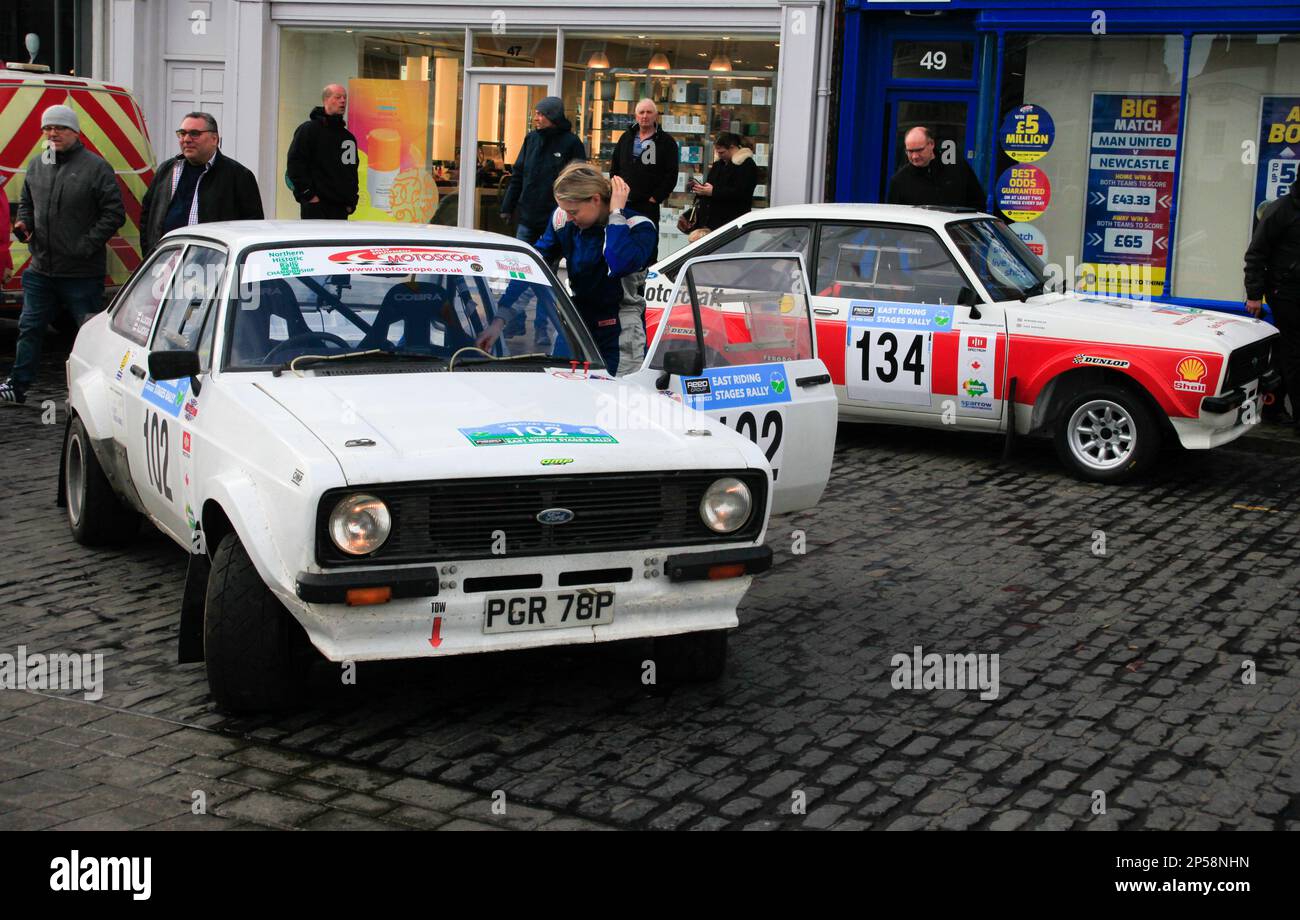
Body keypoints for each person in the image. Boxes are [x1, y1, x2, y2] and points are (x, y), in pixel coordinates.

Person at [1, 105, 124, 405]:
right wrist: (23, 223)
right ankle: (18, 386)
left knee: (86, 336)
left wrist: (85, 246)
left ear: (75, 132)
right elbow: (27, 200)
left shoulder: (96, 168)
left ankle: (91, 393)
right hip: (41, 269)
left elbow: (114, 213)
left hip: (81, 273)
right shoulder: (37, 163)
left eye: (60, 128)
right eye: (47, 128)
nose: (52, 133)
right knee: (29, 328)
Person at [480, 164, 655, 374]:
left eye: (573, 211)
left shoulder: (638, 226)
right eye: (564, 210)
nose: (569, 217)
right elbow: (533, 268)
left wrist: (616, 214)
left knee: (618, 400)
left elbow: (619, 264)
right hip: (576, 325)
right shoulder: (562, 219)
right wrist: (499, 321)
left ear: (596, 199)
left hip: (619, 330)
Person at [499, 96, 587, 346]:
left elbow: (578, 181)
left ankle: (541, 327)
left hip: (556, 221)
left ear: (553, 116)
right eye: (535, 114)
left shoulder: (571, 143)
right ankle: (511, 320)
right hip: (527, 217)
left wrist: (572, 213)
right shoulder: (531, 139)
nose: (535, 118)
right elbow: (517, 175)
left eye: (540, 114)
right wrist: (508, 206)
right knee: (519, 272)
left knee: (545, 276)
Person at [608, 98, 676, 373]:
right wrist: (615, 190)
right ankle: (626, 280)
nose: (645, 117)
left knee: (647, 249)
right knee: (622, 242)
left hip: (647, 206)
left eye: (649, 112)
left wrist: (655, 197)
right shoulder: (626, 137)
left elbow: (671, 173)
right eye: (641, 112)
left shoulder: (666, 142)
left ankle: (643, 286)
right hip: (624, 204)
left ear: (655, 115)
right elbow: (615, 166)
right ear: (635, 115)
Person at [139, 112, 263, 255]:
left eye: (194, 133)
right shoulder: (167, 170)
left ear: (214, 139)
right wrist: (151, 255)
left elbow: (253, 228)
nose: (186, 139)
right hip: (166, 264)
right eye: (182, 133)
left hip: (211, 266)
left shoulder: (239, 176)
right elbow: (147, 216)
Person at [1245, 183, 1300, 432]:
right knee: (1294, 354)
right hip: (1286, 292)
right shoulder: (1281, 210)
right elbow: (1256, 254)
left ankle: (1272, 406)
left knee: (1286, 353)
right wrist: (1254, 295)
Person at [286, 83, 359, 219]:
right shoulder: (308, 130)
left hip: (341, 209)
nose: (343, 101)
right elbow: (295, 164)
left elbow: (352, 172)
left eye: (345, 97)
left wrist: (351, 202)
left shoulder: (348, 138)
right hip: (316, 207)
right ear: (326, 100)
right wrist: (308, 195)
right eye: (338, 97)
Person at [887, 126, 986, 210]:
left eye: (919, 150)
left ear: (931, 144)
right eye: (910, 151)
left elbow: (978, 203)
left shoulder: (958, 169)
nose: (915, 156)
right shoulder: (899, 181)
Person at [692, 133, 759, 234]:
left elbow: (741, 193)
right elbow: (710, 185)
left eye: (722, 152)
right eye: (717, 152)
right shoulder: (719, 164)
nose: (719, 155)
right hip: (710, 222)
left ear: (732, 147)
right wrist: (702, 190)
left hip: (732, 222)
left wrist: (713, 192)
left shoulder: (746, 165)